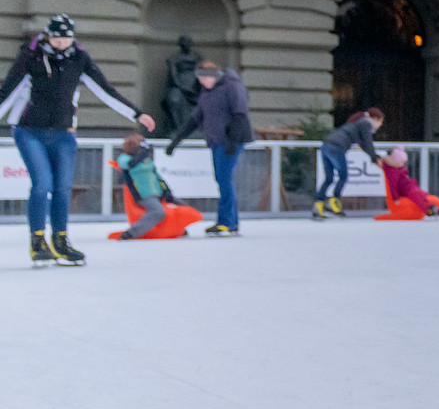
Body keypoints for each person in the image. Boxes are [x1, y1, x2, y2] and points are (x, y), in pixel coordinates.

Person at [0, 14, 154, 266]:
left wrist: (137, 113)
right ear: (48, 36)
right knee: (42, 185)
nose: (62, 43)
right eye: (57, 38)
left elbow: (105, 90)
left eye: (67, 38)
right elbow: (7, 93)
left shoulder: (79, 59)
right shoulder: (31, 57)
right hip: (30, 132)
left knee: (61, 187)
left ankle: (61, 241)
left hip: (64, 133)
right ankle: (38, 241)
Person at [164, 61, 253, 236]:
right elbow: (195, 119)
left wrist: (233, 142)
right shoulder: (206, 93)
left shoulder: (232, 87)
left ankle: (226, 222)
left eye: (204, 78)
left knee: (224, 180)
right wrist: (176, 140)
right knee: (222, 181)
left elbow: (240, 114)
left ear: (214, 75)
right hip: (216, 142)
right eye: (200, 79)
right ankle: (229, 222)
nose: (202, 82)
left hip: (230, 142)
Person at [314, 109, 382, 218]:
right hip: (337, 148)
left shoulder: (357, 124)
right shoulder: (366, 123)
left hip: (326, 146)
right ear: (375, 119)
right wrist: (374, 159)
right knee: (343, 176)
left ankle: (318, 205)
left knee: (329, 178)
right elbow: (368, 142)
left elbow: (363, 145)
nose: (379, 126)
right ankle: (334, 203)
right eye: (380, 122)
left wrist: (375, 157)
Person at [113, 134, 174, 240]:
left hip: (157, 192)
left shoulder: (147, 160)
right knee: (158, 212)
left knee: (181, 206)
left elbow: (157, 176)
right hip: (144, 194)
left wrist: (166, 189)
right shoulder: (125, 158)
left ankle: (177, 228)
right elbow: (128, 164)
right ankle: (132, 232)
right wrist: (141, 154)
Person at [378, 146, 439, 216]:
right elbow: (392, 185)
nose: (403, 164)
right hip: (406, 190)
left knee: (423, 195)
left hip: (410, 186)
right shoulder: (393, 171)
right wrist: (395, 198)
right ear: (395, 161)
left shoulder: (399, 168)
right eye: (401, 162)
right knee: (417, 197)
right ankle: (428, 210)